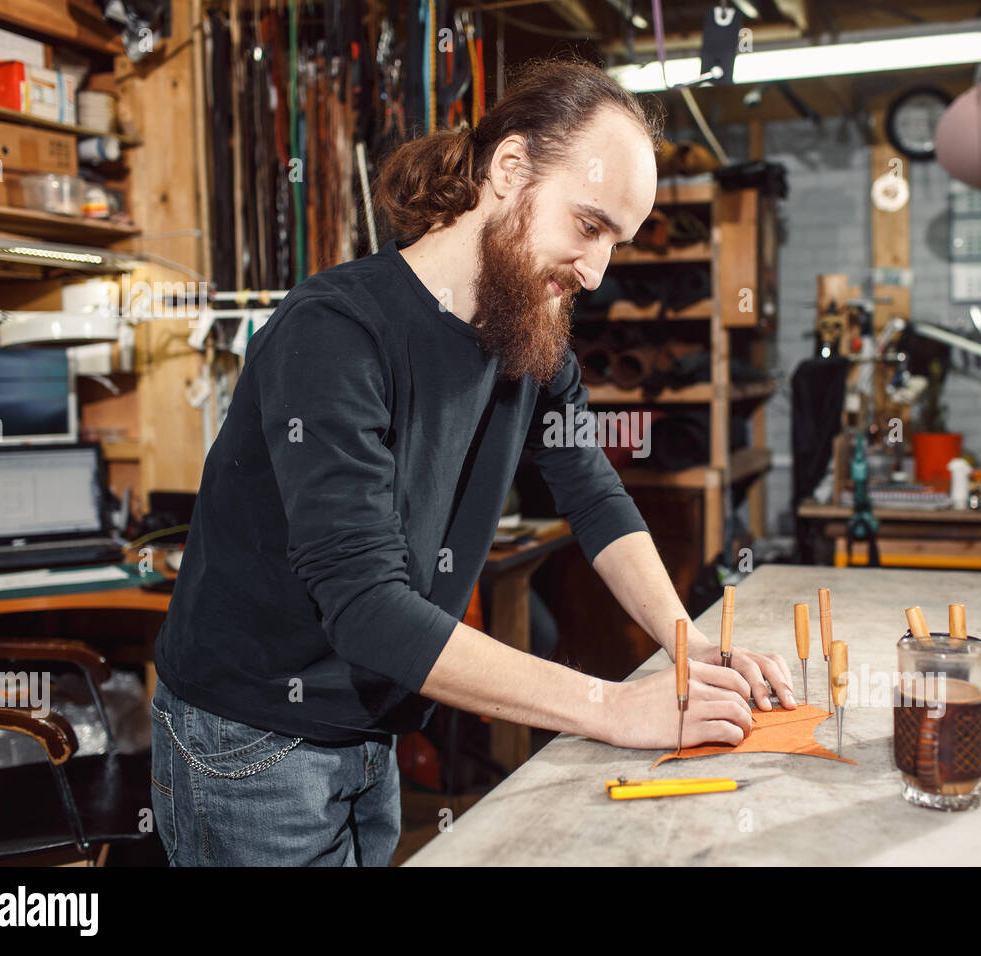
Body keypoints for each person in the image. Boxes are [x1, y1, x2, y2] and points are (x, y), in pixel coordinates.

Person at [150, 57, 795, 867]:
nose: (596, 273)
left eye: (616, 244)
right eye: (589, 226)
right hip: (249, 742)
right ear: (510, 168)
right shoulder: (335, 333)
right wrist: (611, 708)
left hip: (371, 725)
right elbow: (368, 607)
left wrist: (687, 644)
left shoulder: (529, 333)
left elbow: (594, 498)